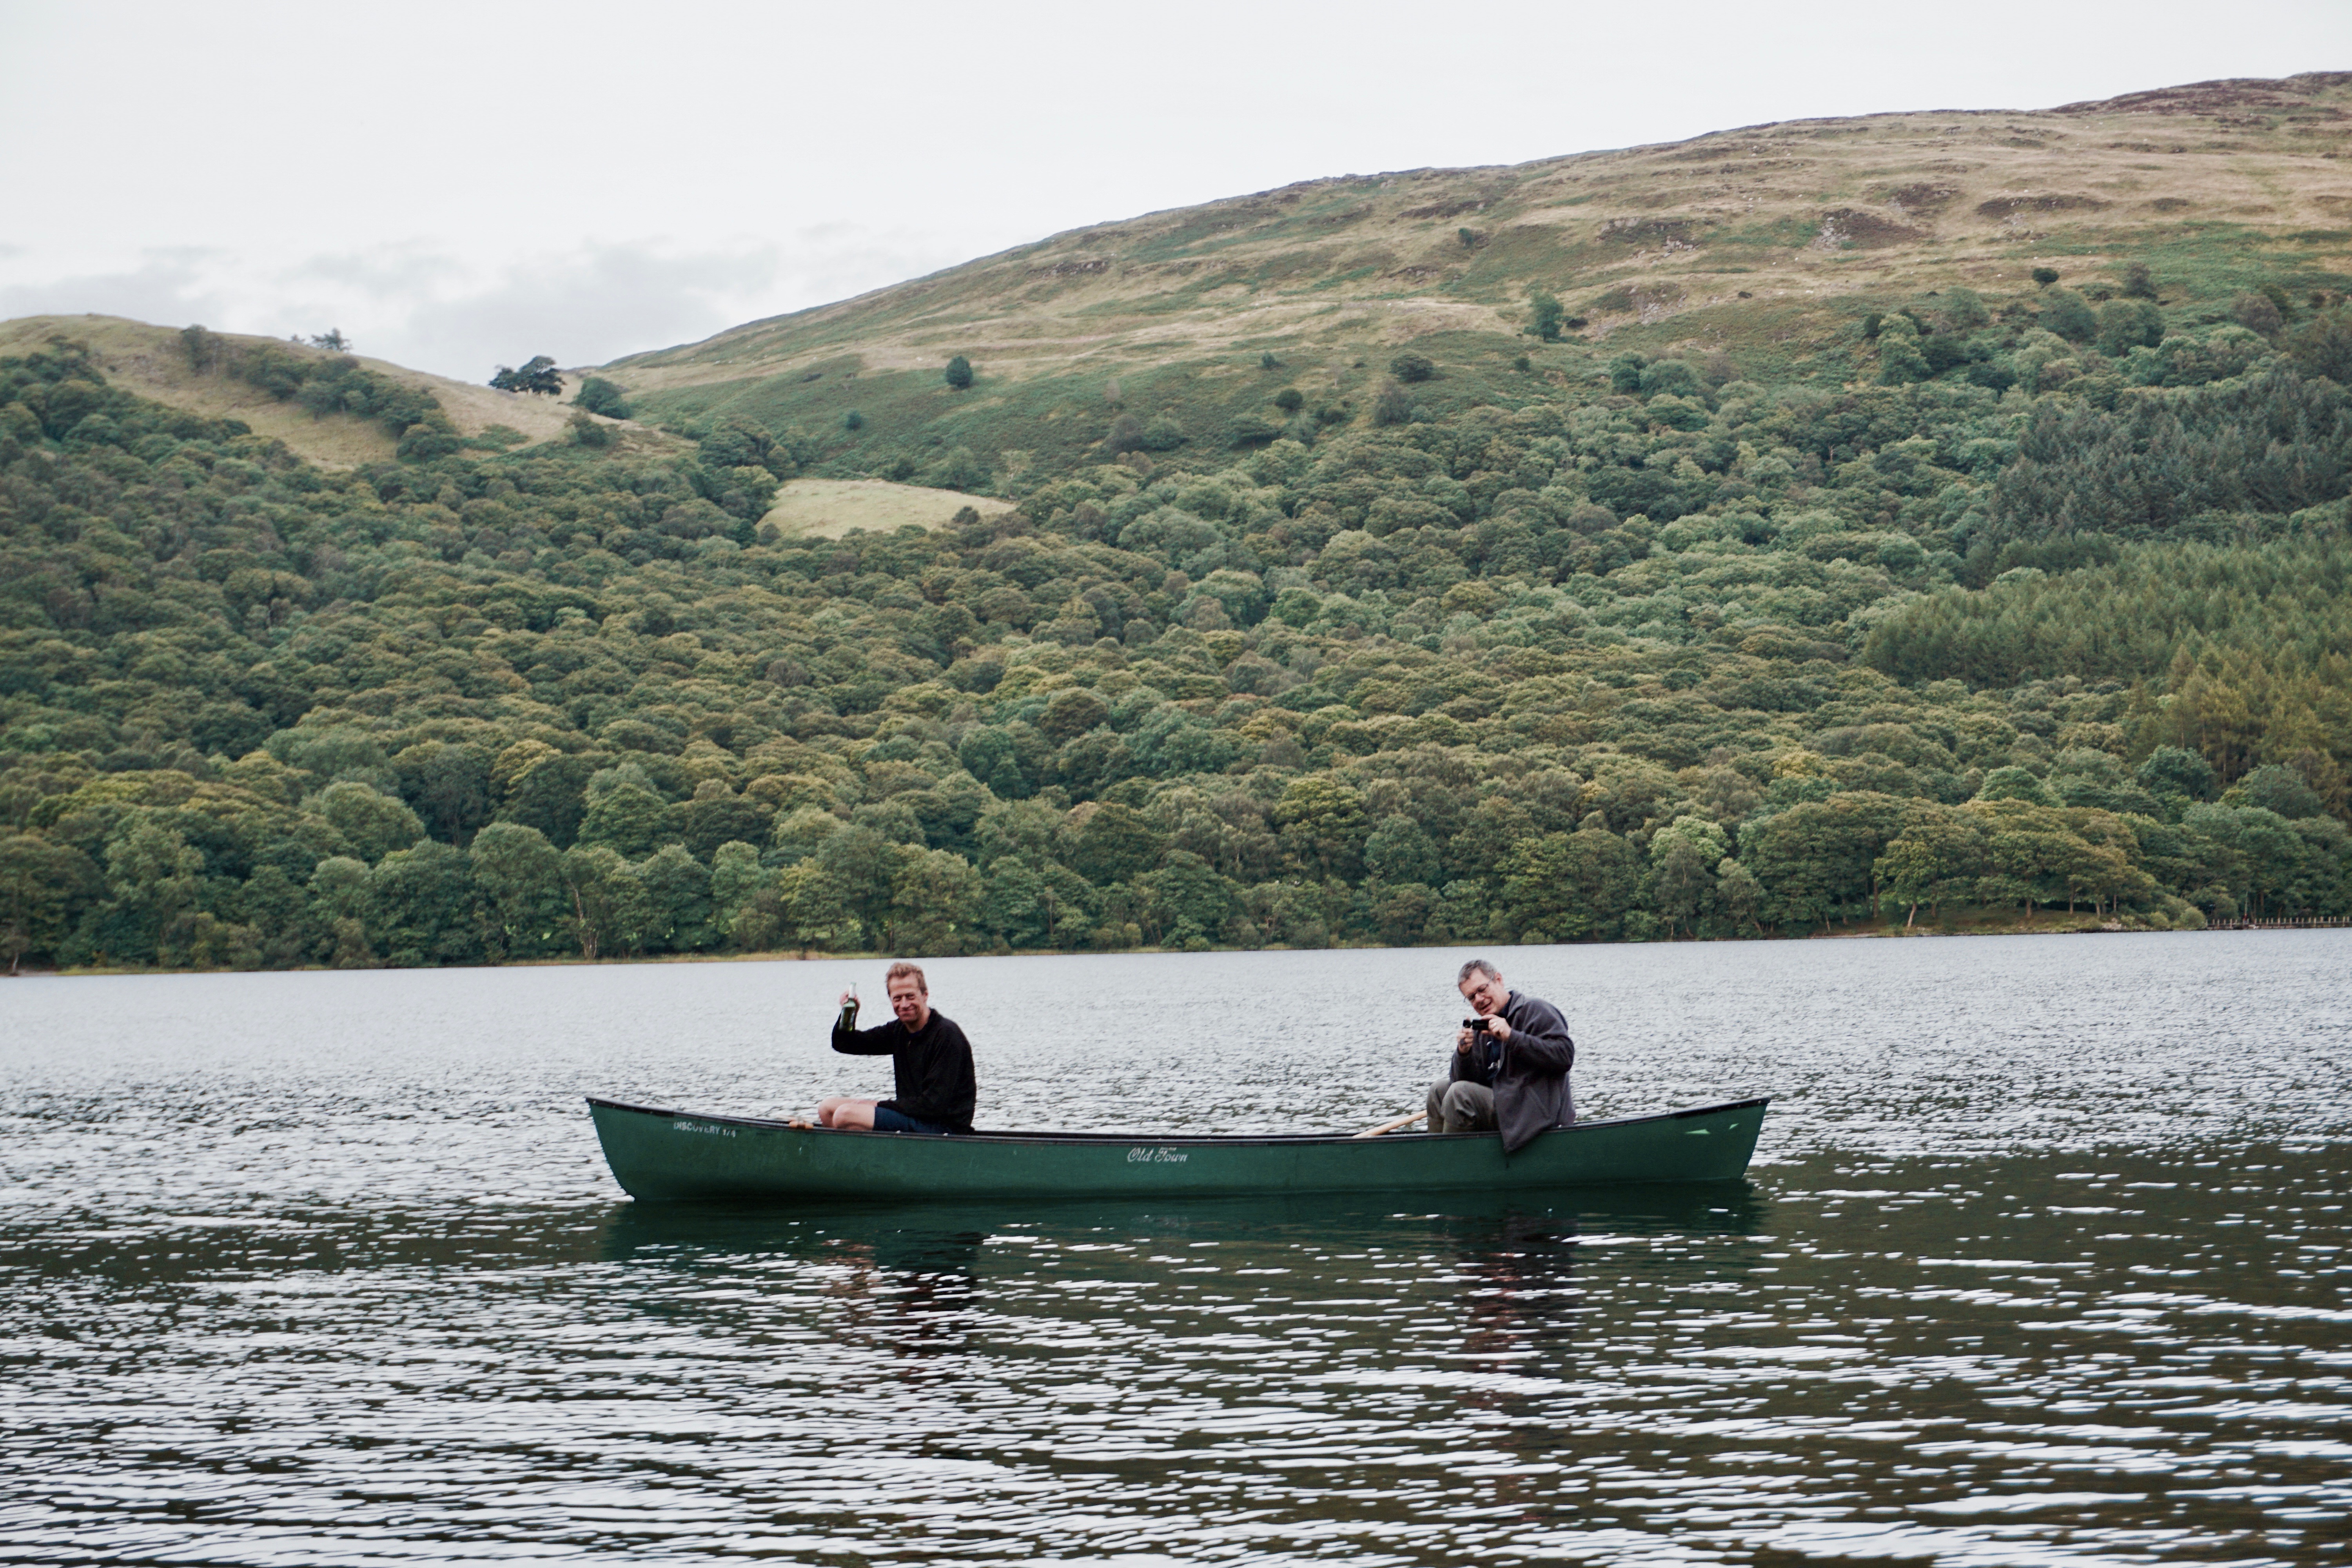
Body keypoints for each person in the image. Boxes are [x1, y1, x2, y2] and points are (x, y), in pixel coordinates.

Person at [1425, 957, 1575, 1152]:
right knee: (1439, 1091)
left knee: (1459, 1094)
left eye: (1482, 990)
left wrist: (1511, 1036)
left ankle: (1451, 1166)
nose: (1479, 999)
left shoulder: (1536, 1010)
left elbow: (1564, 1057)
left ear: (1498, 980)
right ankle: (1435, 1159)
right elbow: (1463, 1083)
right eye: (1471, 997)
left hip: (1534, 1113)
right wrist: (1464, 1054)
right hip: (1503, 1106)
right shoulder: (1482, 1029)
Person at [818, 961, 976, 1135]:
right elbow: (844, 1043)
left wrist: (878, 1105)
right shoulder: (899, 1030)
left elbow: (933, 1105)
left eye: (910, 996)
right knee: (828, 1108)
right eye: (898, 998)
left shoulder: (947, 1036)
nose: (904, 1004)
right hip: (914, 1116)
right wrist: (849, 1013)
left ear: (925, 995)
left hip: (944, 1127)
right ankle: (847, 1160)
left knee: (845, 1115)